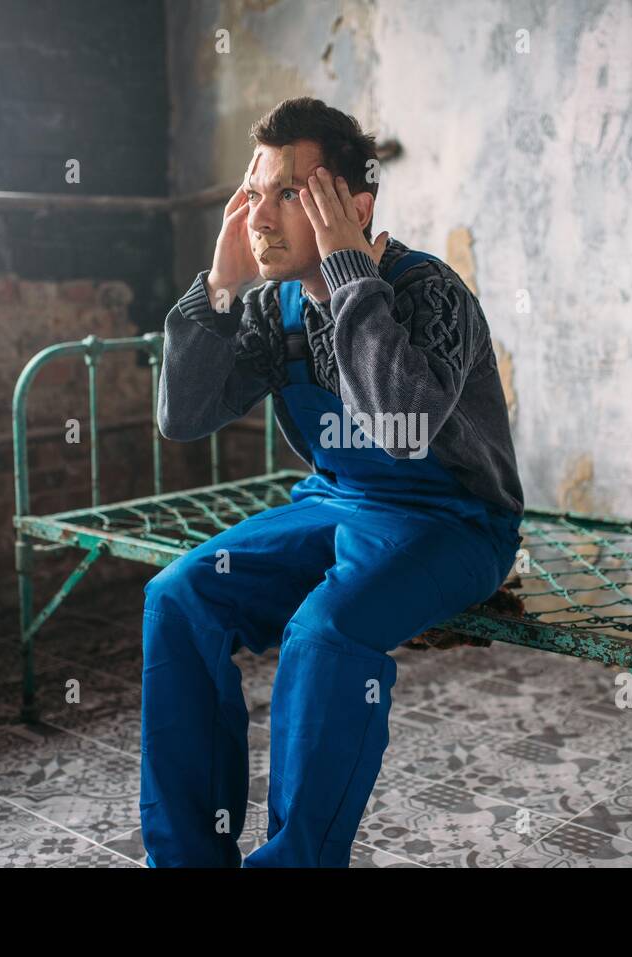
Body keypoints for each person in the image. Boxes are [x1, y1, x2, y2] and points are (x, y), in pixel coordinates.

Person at [140, 96, 524, 867]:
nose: (263, 215)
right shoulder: (272, 308)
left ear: (353, 206)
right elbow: (181, 416)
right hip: (338, 505)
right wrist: (218, 285)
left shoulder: (429, 293)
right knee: (178, 596)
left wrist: (348, 270)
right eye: (256, 192)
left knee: (325, 633)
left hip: (454, 523)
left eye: (292, 193)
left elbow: (400, 428)